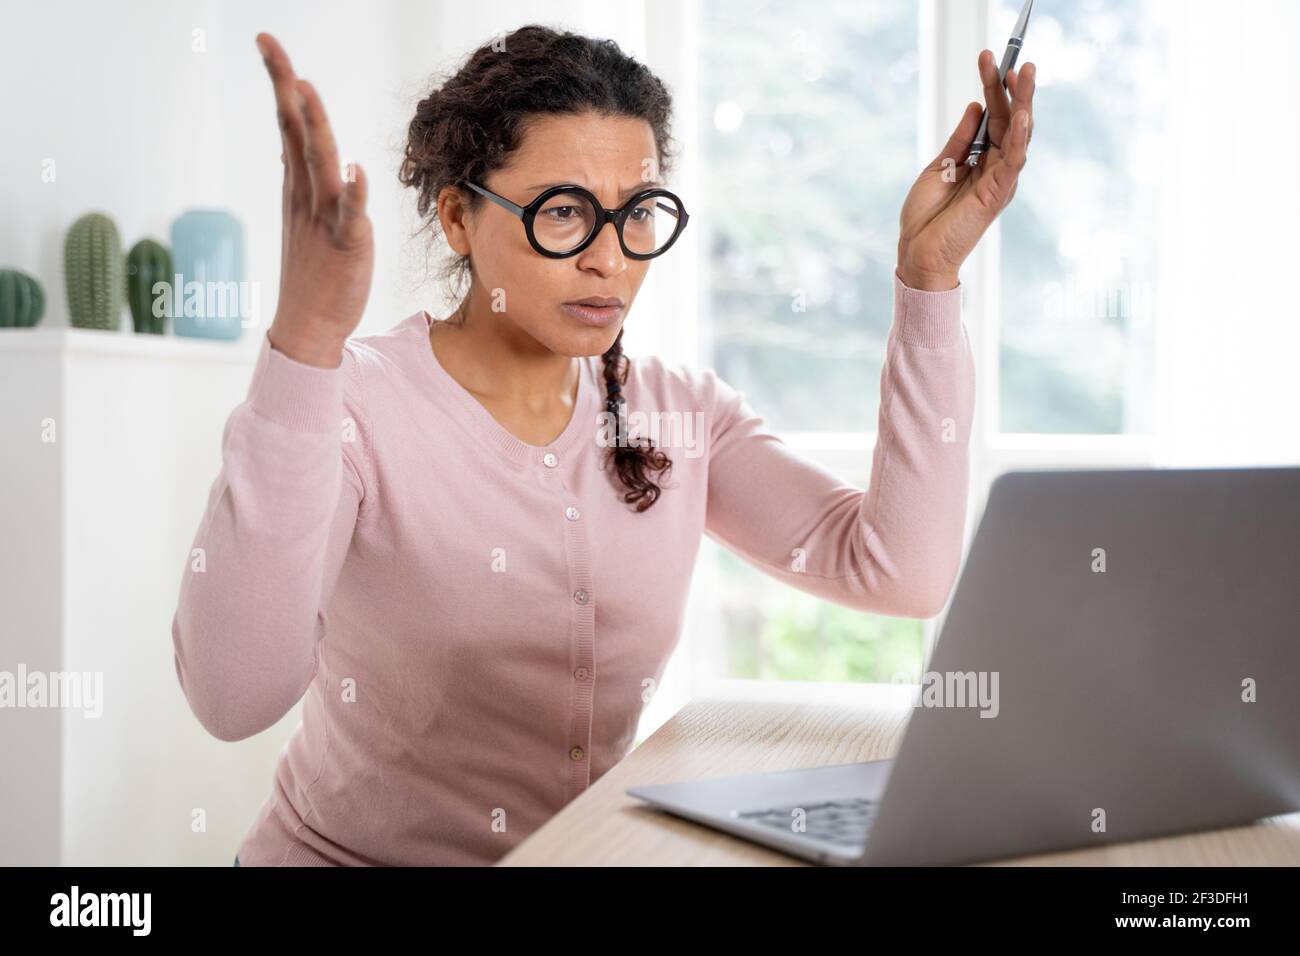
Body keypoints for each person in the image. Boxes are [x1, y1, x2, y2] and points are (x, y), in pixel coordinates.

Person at [177, 24, 1035, 866]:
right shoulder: (356, 401)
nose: (610, 261)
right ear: (457, 219)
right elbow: (232, 694)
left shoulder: (677, 412)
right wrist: (307, 339)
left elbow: (901, 571)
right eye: (564, 214)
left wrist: (929, 281)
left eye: (637, 215)